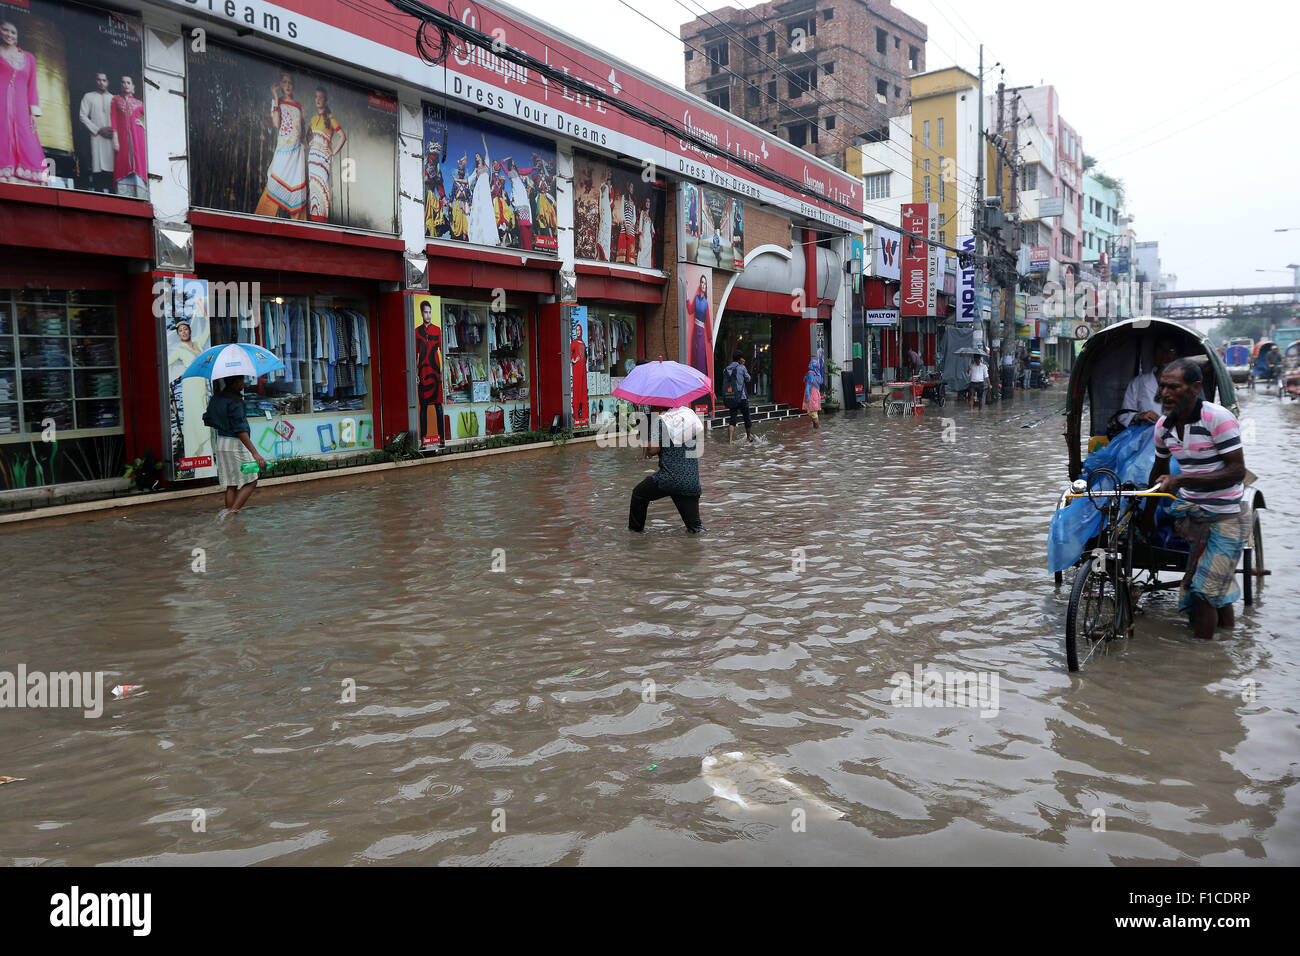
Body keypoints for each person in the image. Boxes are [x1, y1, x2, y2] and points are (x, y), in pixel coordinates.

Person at [1146, 358, 1251, 641]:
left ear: (1194, 388)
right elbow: (1158, 472)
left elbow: (1236, 471)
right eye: (1163, 387)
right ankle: (1228, 640)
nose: (1165, 394)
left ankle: (1201, 663)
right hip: (1193, 516)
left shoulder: (1218, 419)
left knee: (1203, 593)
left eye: (1173, 387)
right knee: (1214, 585)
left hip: (1227, 517)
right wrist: (1147, 517)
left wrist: (1182, 480)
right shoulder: (1163, 429)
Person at [628, 404, 704, 533]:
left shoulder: (662, 420)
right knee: (695, 528)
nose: (651, 407)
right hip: (691, 479)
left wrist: (647, 438)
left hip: (669, 478)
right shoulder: (689, 414)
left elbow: (653, 450)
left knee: (639, 494)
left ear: (658, 406)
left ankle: (635, 535)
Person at [205, 377, 267, 516]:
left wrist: (224, 423)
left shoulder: (217, 398)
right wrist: (255, 454)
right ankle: (231, 514)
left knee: (231, 484)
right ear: (235, 383)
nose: (243, 384)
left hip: (221, 442)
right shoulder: (236, 401)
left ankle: (230, 518)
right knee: (251, 481)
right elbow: (241, 430)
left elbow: (208, 419)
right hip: (235, 444)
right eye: (241, 381)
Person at [254, 72, 307, 219]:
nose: (288, 85)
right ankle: (262, 220)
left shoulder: (299, 106)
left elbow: (302, 128)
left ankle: (300, 226)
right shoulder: (277, 102)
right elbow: (277, 124)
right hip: (284, 151)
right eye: (284, 82)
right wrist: (276, 98)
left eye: (290, 82)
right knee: (275, 182)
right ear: (280, 85)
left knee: (298, 187)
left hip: (297, 154)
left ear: (294, 85)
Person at [0, 20, 48, 185]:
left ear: (17, 36)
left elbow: (32, 86)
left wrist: (33, 112)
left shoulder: (29, 58)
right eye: (5, 30)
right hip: (1, 104)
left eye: (13, 32)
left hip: (22, 106)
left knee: (26, 137)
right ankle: (5, 172)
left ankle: (29, 177)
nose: (9, 35)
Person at [1119, 339, 1180, 427]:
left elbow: (1200, 414)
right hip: (1146, 438)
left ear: (1178, 356)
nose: (1165, 354)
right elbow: (1123, 417)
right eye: (1160, 349)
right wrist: (1140, 416)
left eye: (1171, 350)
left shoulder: (1189, 383)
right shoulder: (1138, 383)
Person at [307, 86, 345, 223]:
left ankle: (321, 222)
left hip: (323, 159)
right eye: (316, 97)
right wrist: (311, 142)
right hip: (312, 158)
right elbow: (308, 136)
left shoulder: (330, 117)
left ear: (326, 101)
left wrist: (333, 151)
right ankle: (314, 220)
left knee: (322, 189)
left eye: (321, 97)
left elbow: (342, 136)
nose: (318, 100)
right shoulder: (313, 119)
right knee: (313, 190)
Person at [111, 76, 148, 198]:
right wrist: (115, 138)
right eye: (123, 82)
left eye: (128, 82)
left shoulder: (139, 103)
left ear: (133, 87)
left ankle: (140, 192)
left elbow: (152, 114)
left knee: (138, 163)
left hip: (138, 138)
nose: (125, 84)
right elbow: (113, 120)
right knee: (122, 162)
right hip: (122, 138)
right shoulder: (116, 100)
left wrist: (143, 124)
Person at [78, 72, 114, 192]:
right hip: (96, 138)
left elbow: (119, 120)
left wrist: (113, 131)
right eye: (98, 80)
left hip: (111, 138)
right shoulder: (88, 96)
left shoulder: (114, 99)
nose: (101, 82)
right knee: (97, 169)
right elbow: (82, 116)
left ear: (108, 82)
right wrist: (97, 129)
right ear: (95, 81)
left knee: (112, 170)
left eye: (104, 80)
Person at [415, 300, 443, 445]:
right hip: (424, 373)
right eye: (426, 312)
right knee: (423, 406)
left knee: (438, 406)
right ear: (421, 313)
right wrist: (415, 374)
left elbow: (443, 351)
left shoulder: (437, 330)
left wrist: (444, 372)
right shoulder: (416, 332)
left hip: (436, 372)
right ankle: (423, 439)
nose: (428, 315)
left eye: (430, 312)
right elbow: (414, 354)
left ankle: (442, 438)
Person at [467, 137, 498, 246]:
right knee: (478, 209)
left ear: (480, 157)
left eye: (477, 156)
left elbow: (487, 152)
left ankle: (488, 236)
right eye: (475, 157)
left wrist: (484, 140)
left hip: (485, 189)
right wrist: (456, 180)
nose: (476, 158)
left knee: (487, 208)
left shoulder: (487, 165)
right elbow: (469, 179)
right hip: (478, 190)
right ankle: (478, 237)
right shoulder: (476, 170)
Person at [722, 350, 754, 444]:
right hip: (742, 397)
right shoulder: (742, 367)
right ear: (740, 359)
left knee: (732, 419)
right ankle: (748, 437)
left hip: (731, 397)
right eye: (742, 358)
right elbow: (748, 379)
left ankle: (730, 440)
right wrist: (744, 366)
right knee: (747, 418)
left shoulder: (726, 369)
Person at [689, 275, 711, 378]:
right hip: (695, 331)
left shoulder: (706, 303)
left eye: (705, 283)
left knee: (701, 358)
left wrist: (710, 338)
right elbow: (690, 310)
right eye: (702, 282)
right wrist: (686, 296)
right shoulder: (696, 298)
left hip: (702, 332)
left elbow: (708, 322)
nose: (703, 285)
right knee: (694, 356)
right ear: (699, 284)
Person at [596, 169, 613, 261]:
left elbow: (611, 200)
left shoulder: (609, 187)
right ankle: (600, 250)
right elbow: (601, 194)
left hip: (608, 209)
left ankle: (605, 254)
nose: (609, 175)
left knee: (607, 228)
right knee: (603, 227)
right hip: (604, 209)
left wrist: (610, 188)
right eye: (608, 173)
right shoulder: (603, 185)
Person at [636, 196, 656, 269]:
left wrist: (652, 233)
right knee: (641, 256)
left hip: (649, 240)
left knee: (647, 259)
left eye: (649, 202)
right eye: (646, 202)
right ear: (645, 203)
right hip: (643, 238)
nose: (647, 203)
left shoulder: (650, 216)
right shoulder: (642, 213)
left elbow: (653, 229)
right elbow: (640, 227)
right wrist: (640, 241)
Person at [803, 358, 822, 429]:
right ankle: (816, 429)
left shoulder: (810, 373)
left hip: (811, 393)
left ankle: (816, 430)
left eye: (810, 364)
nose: (809, 365)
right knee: (814, 412)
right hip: (816, 393)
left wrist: (807, 396)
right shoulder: (818, 374)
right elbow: (820, 383)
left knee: (812, 413)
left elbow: (808, 385)